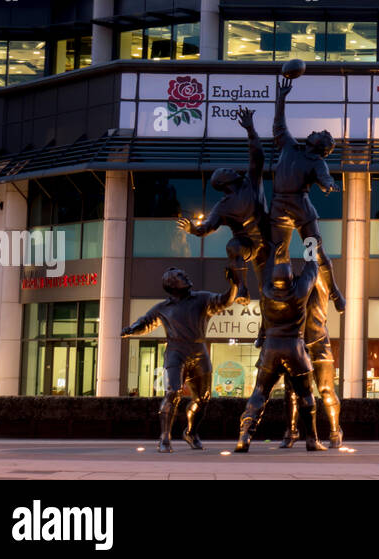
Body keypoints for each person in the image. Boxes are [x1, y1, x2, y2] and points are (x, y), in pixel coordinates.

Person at [122, 267, 236, 452]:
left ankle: (190, 432)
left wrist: (234, 283)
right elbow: (145, 322)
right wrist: (131, 330)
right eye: (181, 276)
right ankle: (164, 437)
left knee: (204, 398)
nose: (186, 276)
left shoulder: (202, 299)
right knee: (173, 393)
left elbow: (225, 300)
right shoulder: (163, 308)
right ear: (171, 284)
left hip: (199, 352)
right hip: (176, 352)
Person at [267, 73, 345, 311]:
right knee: (274, 258)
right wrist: (280, 99)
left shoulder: (317, 162)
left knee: (315, 251)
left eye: (321, 134)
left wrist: (329, 185)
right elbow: (279, 125)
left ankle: (334, 293)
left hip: (301, 212)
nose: (315, 132)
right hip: (279, 209)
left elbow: (325, 179)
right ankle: (268, 319)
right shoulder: (290, 147)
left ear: (321, 146)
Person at [178, 107, 267, 305]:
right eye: (227, 171)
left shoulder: (251, 183)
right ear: (223, 182)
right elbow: (206, 228)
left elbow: (257, 156)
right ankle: (243, 289)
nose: (232, 170)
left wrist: (251, 130)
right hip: (248, 246)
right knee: (232, 246)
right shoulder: (223, 207)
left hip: (269, 237)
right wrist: (192, 229)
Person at [236, 260, 322, 452]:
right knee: (306, 395)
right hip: (295, 348)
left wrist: (274, 251)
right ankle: (311, 439)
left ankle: (245, 436)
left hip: (271, 349)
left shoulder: (266, 291)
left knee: (259, 392)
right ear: (291, 279)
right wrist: (311, 247)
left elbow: (265, 269)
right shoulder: (299, 292)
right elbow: (312, 269)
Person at [279, 274, 342, 449]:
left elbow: (320, 256)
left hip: (318, 341)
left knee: (326, 390)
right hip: (297, 342)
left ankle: (335, 431)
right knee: (291, 392)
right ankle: (291, 431)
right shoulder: (292, 285)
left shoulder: (320, 278)